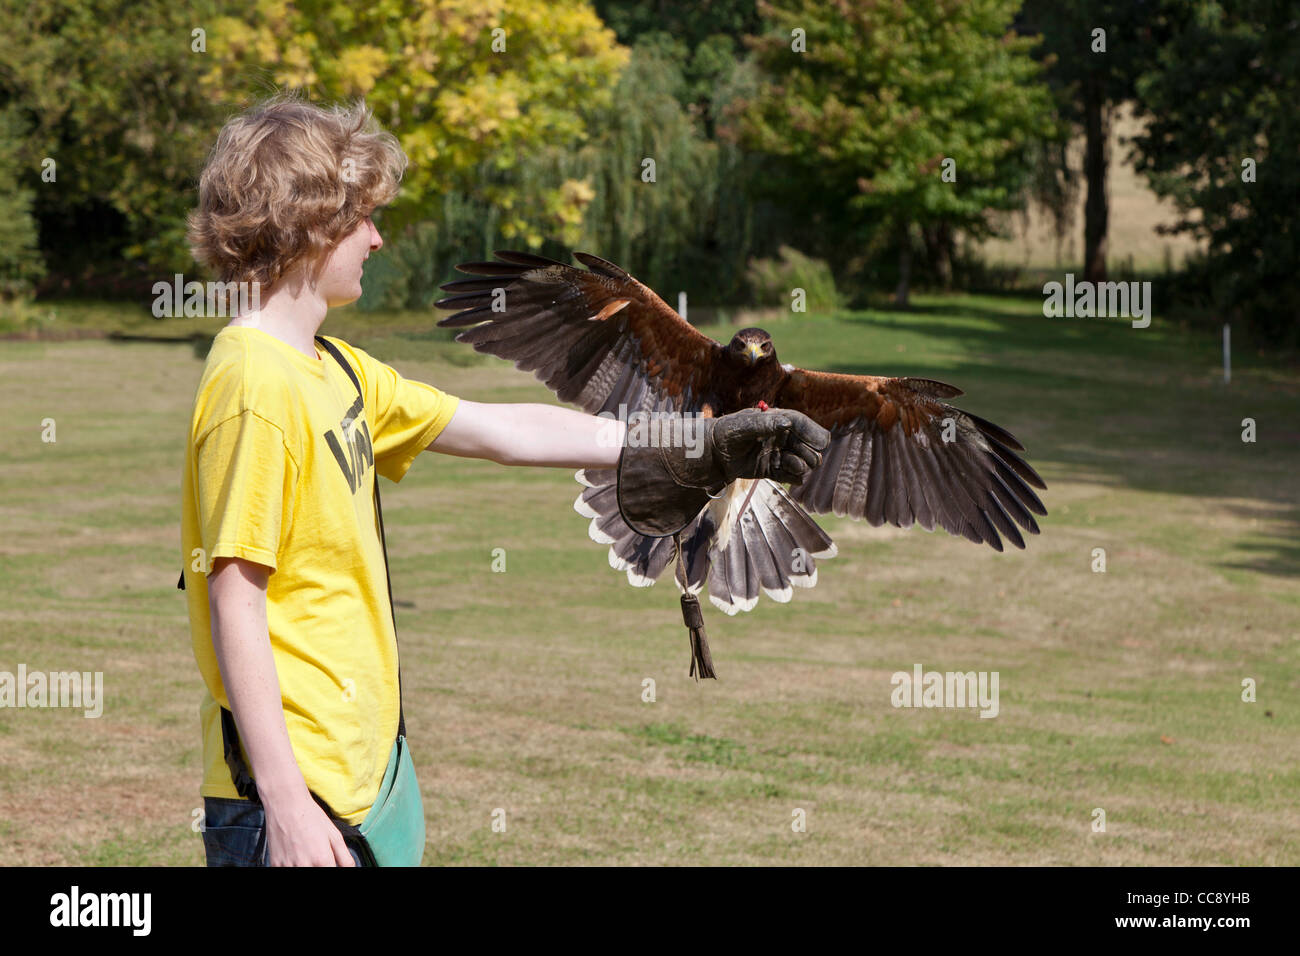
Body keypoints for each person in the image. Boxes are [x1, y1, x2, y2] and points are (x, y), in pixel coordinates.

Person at [179, 93, 828, 866]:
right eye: (364, 219)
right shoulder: (256, 385)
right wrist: (285, 803)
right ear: (309, 222)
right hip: (290, 801)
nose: (378, 237)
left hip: (367, 776)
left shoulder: (341, 372)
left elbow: (504, 430)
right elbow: (235, 598)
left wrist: (701, 442)